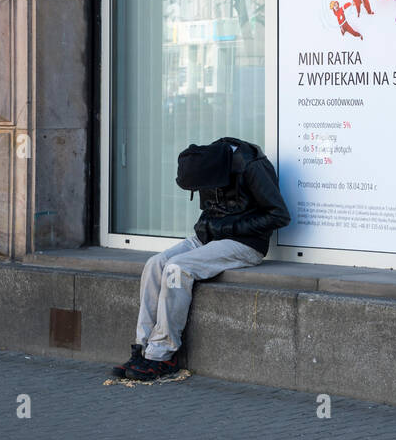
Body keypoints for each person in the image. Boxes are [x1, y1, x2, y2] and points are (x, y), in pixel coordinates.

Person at [111, 137, 290, 381]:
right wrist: (210, 226)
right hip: (210, 236)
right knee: (155, 264)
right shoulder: (208, 163)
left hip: (245, 243)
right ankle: (142, 348)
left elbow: (279, 215)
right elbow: (212, 211)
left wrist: (227, 227)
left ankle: (164, 354)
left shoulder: (252, 166)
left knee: (177, 269)